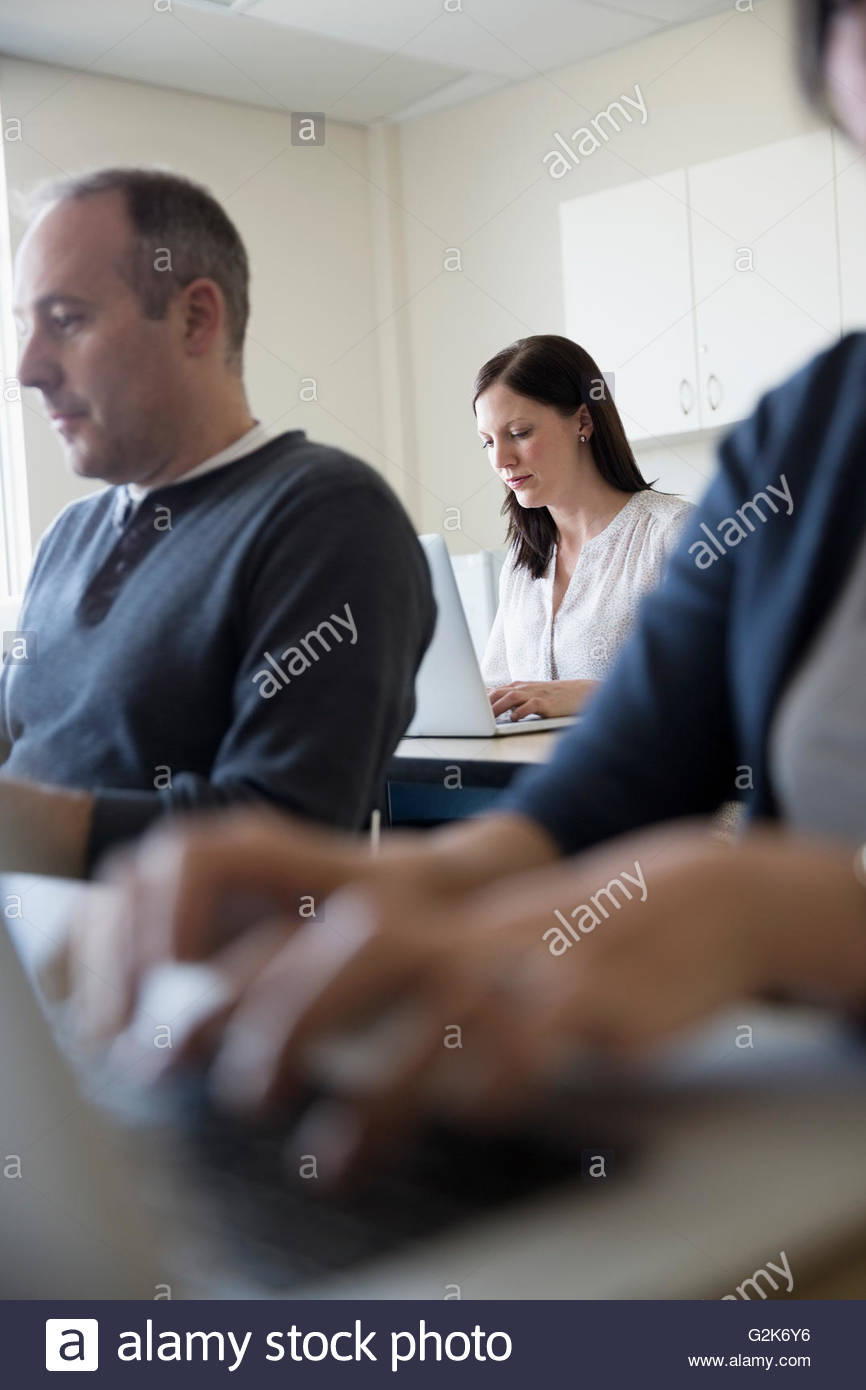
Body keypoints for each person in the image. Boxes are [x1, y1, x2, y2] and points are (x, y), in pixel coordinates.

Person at [60, 0, 866, 1179]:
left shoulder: (667, 522)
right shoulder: (811, 436)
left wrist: (781, 915)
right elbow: (607, 793)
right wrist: (395, 882)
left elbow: (719, 869)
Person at [0, 167, 434, 878]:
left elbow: (283, 832)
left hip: (187, 981)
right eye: (23, 327)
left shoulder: (329, 517)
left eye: (66, 321)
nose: (26, 368)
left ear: (196, 318)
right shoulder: (71, 535)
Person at [477, 335, 690, 721]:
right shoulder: (523, 560)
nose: (501, 459)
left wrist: (597, 695)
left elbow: (722, 682)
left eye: (519, 433)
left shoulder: (672, 534)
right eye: (487, 442)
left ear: (584, 421)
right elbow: (497, 688)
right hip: (531, 776)